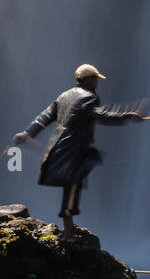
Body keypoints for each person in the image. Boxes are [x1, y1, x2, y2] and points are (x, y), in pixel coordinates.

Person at [11, 63, 143, 240]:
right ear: (87, 79)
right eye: (95, 78)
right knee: (74, 182)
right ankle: (68, 232)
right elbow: (101, 115)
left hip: (58, 146)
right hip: (72, 148)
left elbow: (45, 116)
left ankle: (68, 228)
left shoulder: (65, 95)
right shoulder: (88, 98)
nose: (97, 82)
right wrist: (127, 116)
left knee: (74, 181)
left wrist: (27, 133)